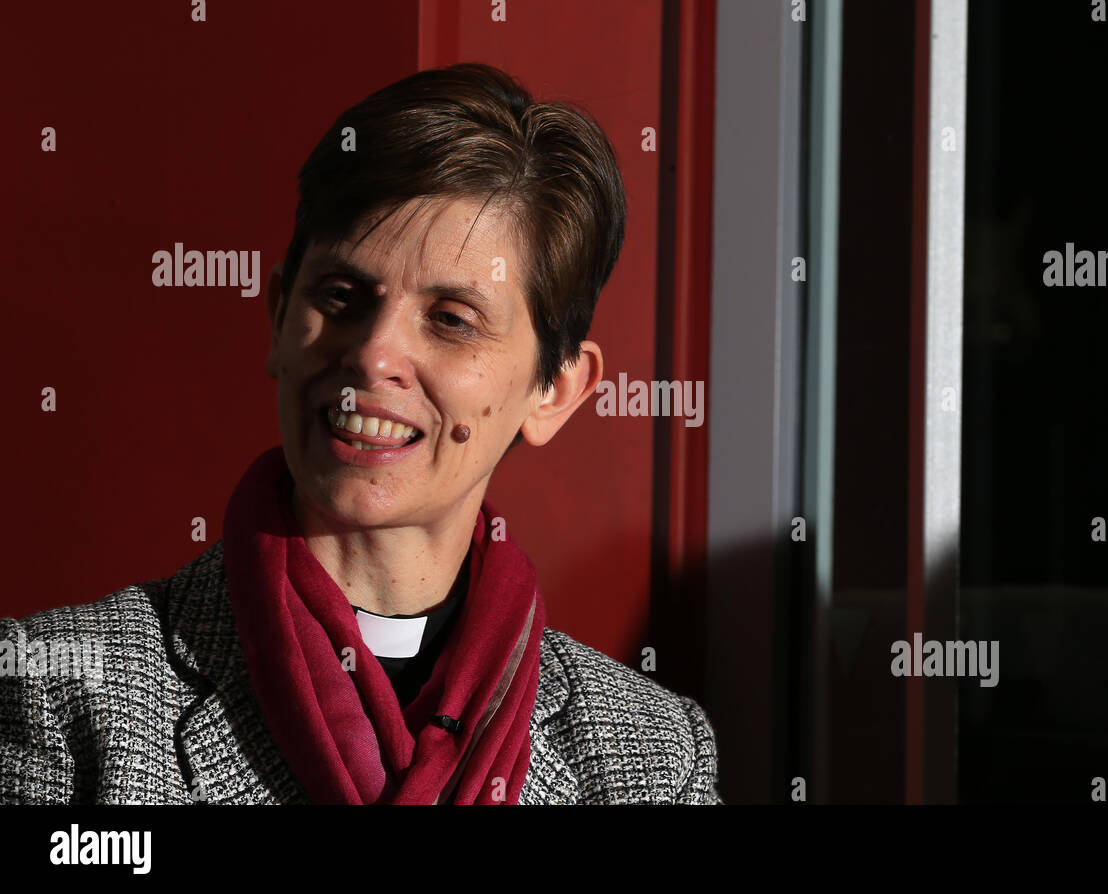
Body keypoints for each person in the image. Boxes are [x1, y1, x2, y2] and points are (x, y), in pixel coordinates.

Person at [0, 62, 721, 805]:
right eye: (342, 296)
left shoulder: (655, 758)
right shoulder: (58, 697)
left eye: (451, 320)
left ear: (556, 391)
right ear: (280, 317)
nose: (373, 355)